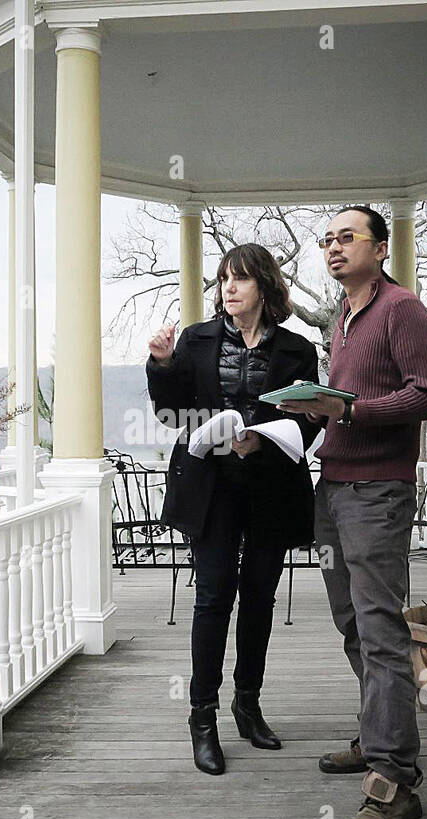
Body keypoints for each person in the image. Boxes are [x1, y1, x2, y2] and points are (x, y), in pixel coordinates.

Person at [280, 206, 427, 819]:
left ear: (380, 247)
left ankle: (394, 779)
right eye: (327, 239)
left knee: (380, 630)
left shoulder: (402, 309)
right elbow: (341, 409)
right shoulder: (343, 320)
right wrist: (293, 424)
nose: (333, 247)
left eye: (347, 237)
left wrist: (349, 411)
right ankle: (382, 734)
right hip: (335, 488)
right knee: (353, 622)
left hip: (378, 491)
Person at [146, 243, 322, 775]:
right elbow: (171, 411)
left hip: (270, 486)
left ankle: (249, 706)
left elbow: (312, 418)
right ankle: (203, 718)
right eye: (224, 279)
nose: (228, 288)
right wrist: (160, 363)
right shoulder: (197, 339)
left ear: (264, 288)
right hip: (210, 487)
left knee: (260, 599)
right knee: (214, 597)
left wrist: (261, 442)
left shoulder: (297, 349)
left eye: (240, 279)